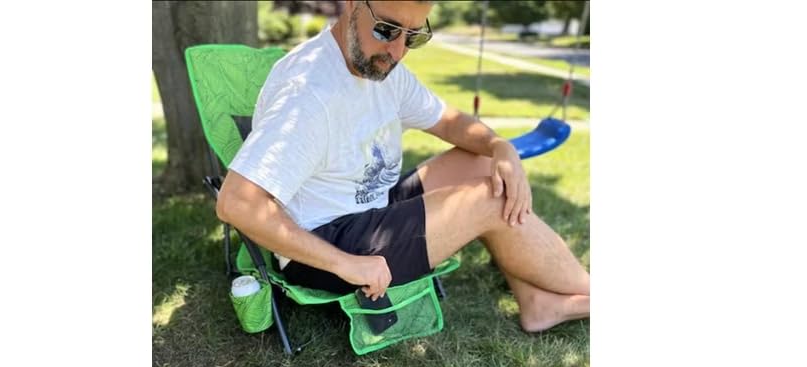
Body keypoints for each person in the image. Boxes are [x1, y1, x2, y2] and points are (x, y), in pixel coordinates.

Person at [218, 0, 589, 332]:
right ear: (350, 4)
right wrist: (346, 263)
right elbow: (237, 203)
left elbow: (448, 121)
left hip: (369, 205)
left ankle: (538, 302)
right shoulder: (308, 93)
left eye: (413, 37)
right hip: (326, 245)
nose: (396, 50)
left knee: (480, 161)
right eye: (386, 29)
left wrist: (500, 146)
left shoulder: (380, 67)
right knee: (487, 200)